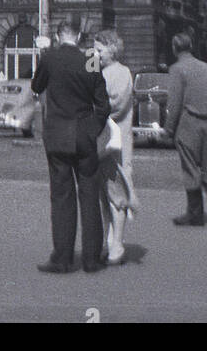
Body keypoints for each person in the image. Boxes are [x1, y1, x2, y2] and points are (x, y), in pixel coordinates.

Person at [30, 15, 112, 273]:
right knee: (89, 195)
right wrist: (93, 130)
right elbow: (103, 105)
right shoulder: (90, 60)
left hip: (57, 135)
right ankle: (91, 259)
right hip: (84, 135)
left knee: (62, 196)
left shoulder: (50, 58)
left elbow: (36, 86)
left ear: (57, 36)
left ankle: (63, 258)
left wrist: (42, 56)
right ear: (78, 36)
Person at [165, 32, 207, 228]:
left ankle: (195, 214)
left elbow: (174, 103)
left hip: (189, 123)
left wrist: (169, 129)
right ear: (191, 47)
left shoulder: (176, 69)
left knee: (190, 168)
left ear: (175, 49)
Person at [94, 29, 138, 265]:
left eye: (99, 50)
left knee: (116, 195)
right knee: (105, 195)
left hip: (115, 143)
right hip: (104, 142)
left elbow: (116, 105)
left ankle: (117, 244)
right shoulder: (104, 72)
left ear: (112, 50)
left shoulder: (120, 72)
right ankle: (109, 241)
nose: (96, 54)